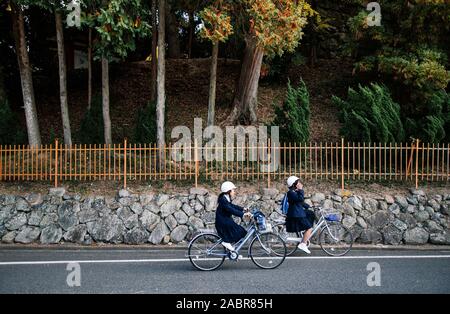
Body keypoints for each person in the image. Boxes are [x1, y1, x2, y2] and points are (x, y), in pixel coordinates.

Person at [215, 181, 252, 251]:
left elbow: (232, 206)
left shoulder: (225, 198)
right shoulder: (223, 200)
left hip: (225, 220)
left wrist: (243, 209)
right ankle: (226, 242)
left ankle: (232, 248)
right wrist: (243, 214)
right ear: (228, 191)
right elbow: (231, 210)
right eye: (233, 190)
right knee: (240, 230)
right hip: (223, 222)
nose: (234, 191)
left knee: (241, 231)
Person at [285, 176, 315, 254]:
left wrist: (309, 206)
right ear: (294, 184)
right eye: (298, 182)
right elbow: (300, 199)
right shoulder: (291, 193)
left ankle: (304, 237)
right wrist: (301, 190)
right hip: (296, 215)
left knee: (310, 214)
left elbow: (299, 202)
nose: (300, 183)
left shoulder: (294, 192)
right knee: (309, 228)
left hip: (298, 213)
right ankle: (303, 244)